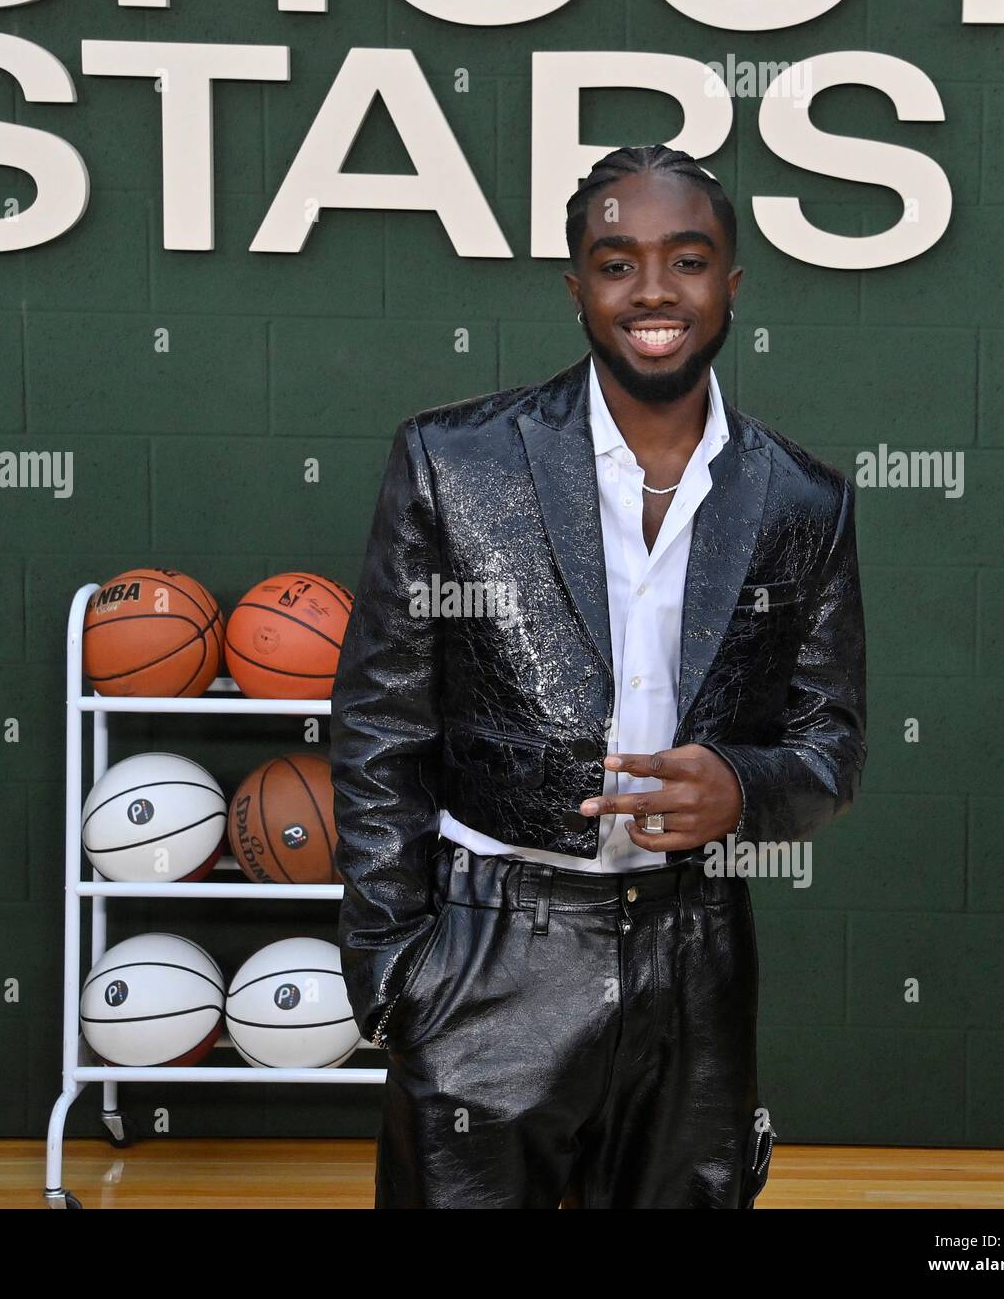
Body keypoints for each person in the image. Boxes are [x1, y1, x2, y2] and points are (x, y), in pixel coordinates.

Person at [329, 143, 867, 1209]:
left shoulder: (804, 497)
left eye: (688, 259)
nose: (654, 290)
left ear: (731, 286)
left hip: (697, 953)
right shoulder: (453, 459)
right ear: (577, 290)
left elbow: (831, 745)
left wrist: (744, 792)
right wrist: (392, 969)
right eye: (617, 263)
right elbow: (381, 719)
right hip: (489, 946)